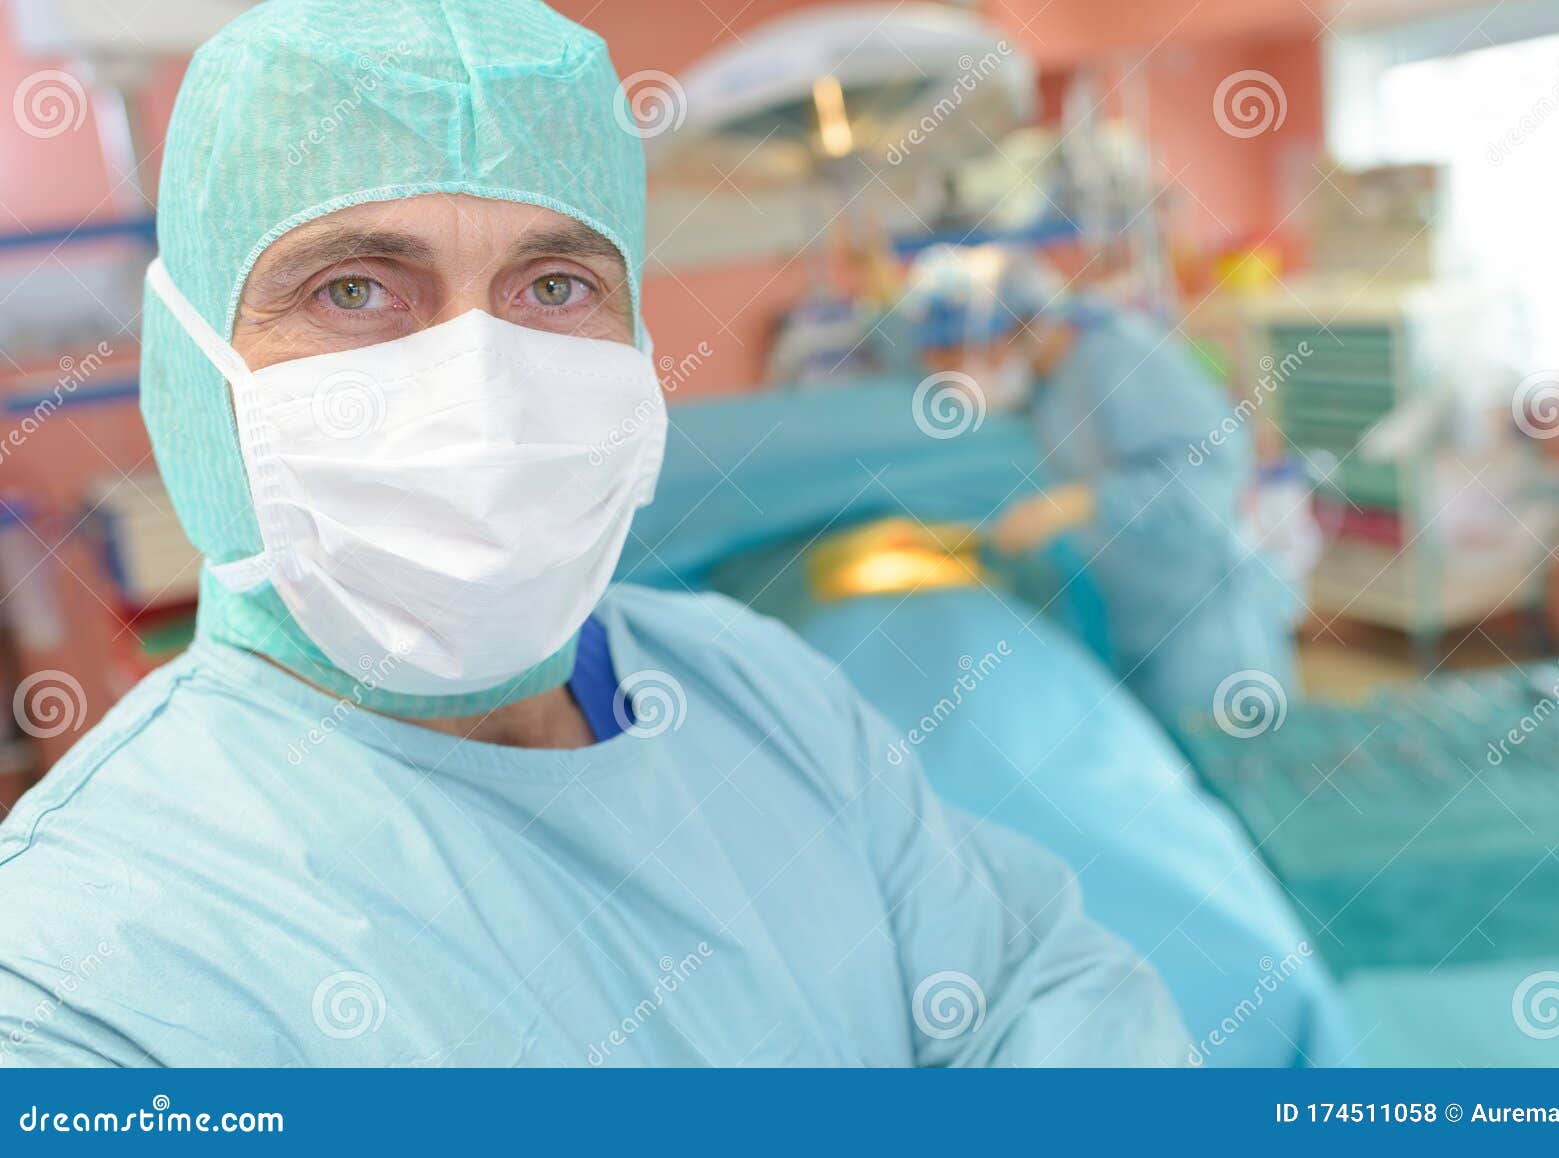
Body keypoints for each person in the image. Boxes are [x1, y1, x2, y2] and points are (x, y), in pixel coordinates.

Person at [0, 0, 1187, 1067]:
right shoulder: (88, 964)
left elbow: (1037, 994)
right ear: (192, 372)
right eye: (353, 289)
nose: (482, 384)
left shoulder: (762, 695)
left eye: (552, 286)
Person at [901, 245, 1300, 731]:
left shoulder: (1118, 359)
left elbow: (1208, 484)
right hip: (1138, 621)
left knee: (1235, 773)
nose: (958, 377)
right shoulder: (1045, 389)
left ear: (1021, 328)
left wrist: (1084, 501)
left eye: (965, 355)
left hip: (1208, 627)